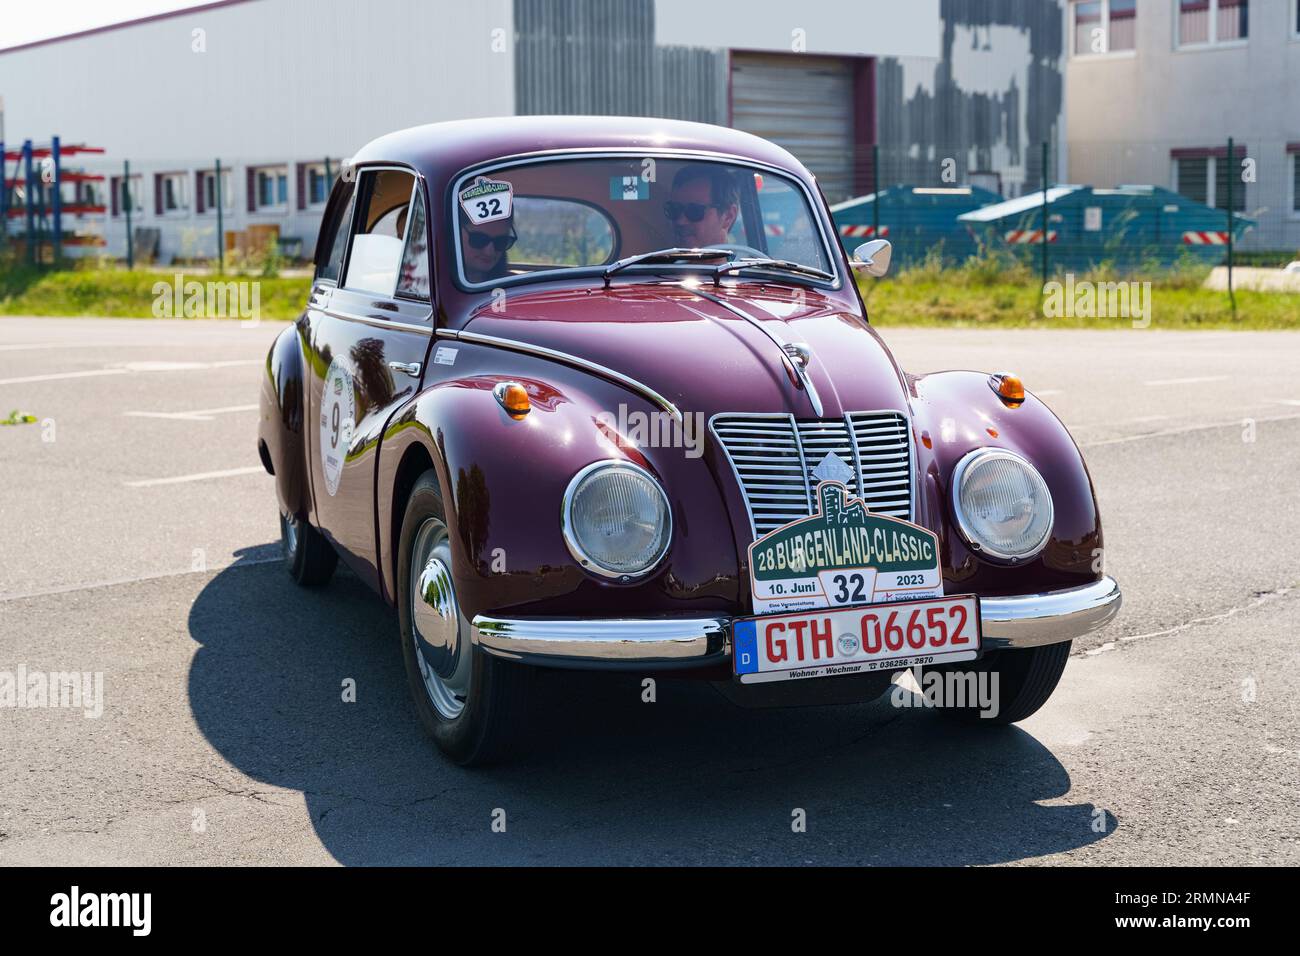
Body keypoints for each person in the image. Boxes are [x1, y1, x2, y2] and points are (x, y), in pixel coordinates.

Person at [664, 165, 739, 248]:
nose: (680, 221)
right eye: (674, 209)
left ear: (728, 216)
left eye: (694, 211)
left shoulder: (750, 259)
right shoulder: (652, 260)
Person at [460, 210, 516, 283]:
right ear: (454, 233)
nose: (489, 252)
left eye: (500, 242)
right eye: (479, 239)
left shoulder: (514, 286)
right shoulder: (440, 288)